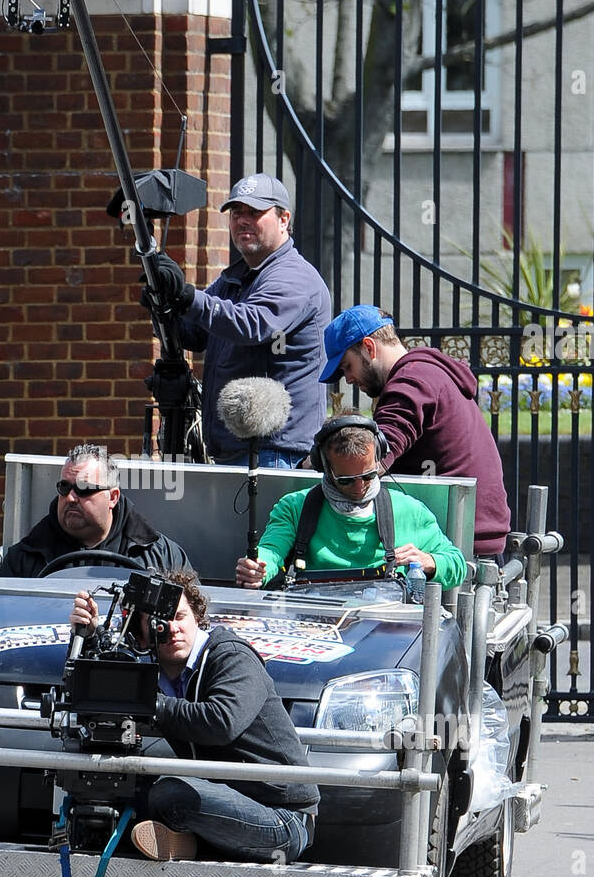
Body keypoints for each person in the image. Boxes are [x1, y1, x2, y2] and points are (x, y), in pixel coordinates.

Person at [69, 570, 319, 864]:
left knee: (169, 794)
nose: (172, 628)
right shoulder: (155, 670)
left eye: (180, 616)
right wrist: (90, 634)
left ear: (197, 617)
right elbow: (94, 693)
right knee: (114, 790)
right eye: (159, 622)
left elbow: (222, 722)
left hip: (282, 818)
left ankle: (189, 845)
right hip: (225, 798)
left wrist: (148, 703)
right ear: (142, 633)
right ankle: (176, 840)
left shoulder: (231, 655)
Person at [152, 173, 331, 467]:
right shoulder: (237, 278)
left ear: (284, 219)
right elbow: (194, 334)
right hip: (238, 449)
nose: (243, 220)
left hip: (274, 452)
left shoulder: (293, 276)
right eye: (236, 213)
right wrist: (162, 305)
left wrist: (185, 296)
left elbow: (252, 324)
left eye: (255, 212)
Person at [318, 305, 512, 561]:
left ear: (369, 347)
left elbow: (372, 457)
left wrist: (317, 459)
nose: (349, 379)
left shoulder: (411, 383)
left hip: (456, 544)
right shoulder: (428, 372)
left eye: (347, 366)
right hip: (475, 534)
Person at [235, 419, 467, 590]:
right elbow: (271, 552)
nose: (359, 488)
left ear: (379, 459)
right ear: (324, 467)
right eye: (346, 480)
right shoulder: (295, 507)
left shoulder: (409, 510)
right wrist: (258, 569)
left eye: (368, 476)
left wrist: (431, 562)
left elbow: (457, 564)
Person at [0, 444, 189, 577]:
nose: (71, 498)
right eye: (64, 488)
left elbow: (191, 616)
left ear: (112, 497)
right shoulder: (26, 557)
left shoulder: (161, 556)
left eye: (84, 489)